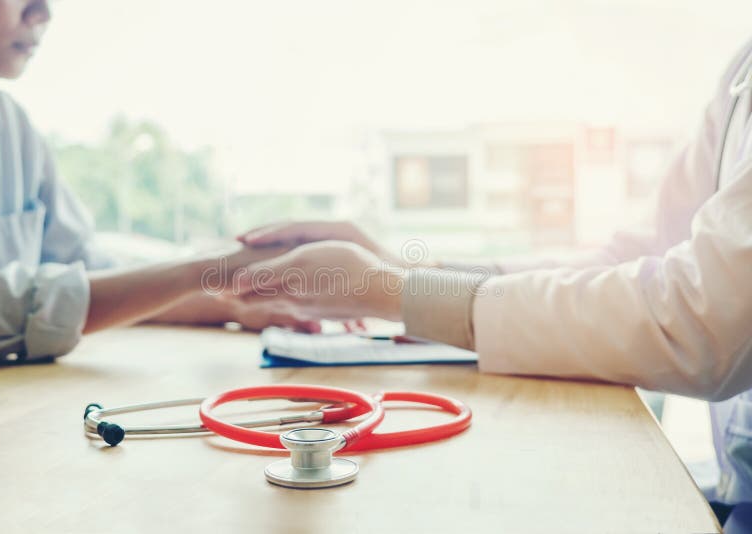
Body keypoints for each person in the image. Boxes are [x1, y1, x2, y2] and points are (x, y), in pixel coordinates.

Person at [236, 39, 752, 530]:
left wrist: (393, 292)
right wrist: (407, 276)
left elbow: (702, 321)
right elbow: (632, 260)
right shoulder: (741, 70)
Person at [0, 0, 318, 365]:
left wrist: (231, 302)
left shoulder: (12, 127)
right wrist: (204, 270)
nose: (42, 13)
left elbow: (91, 276)